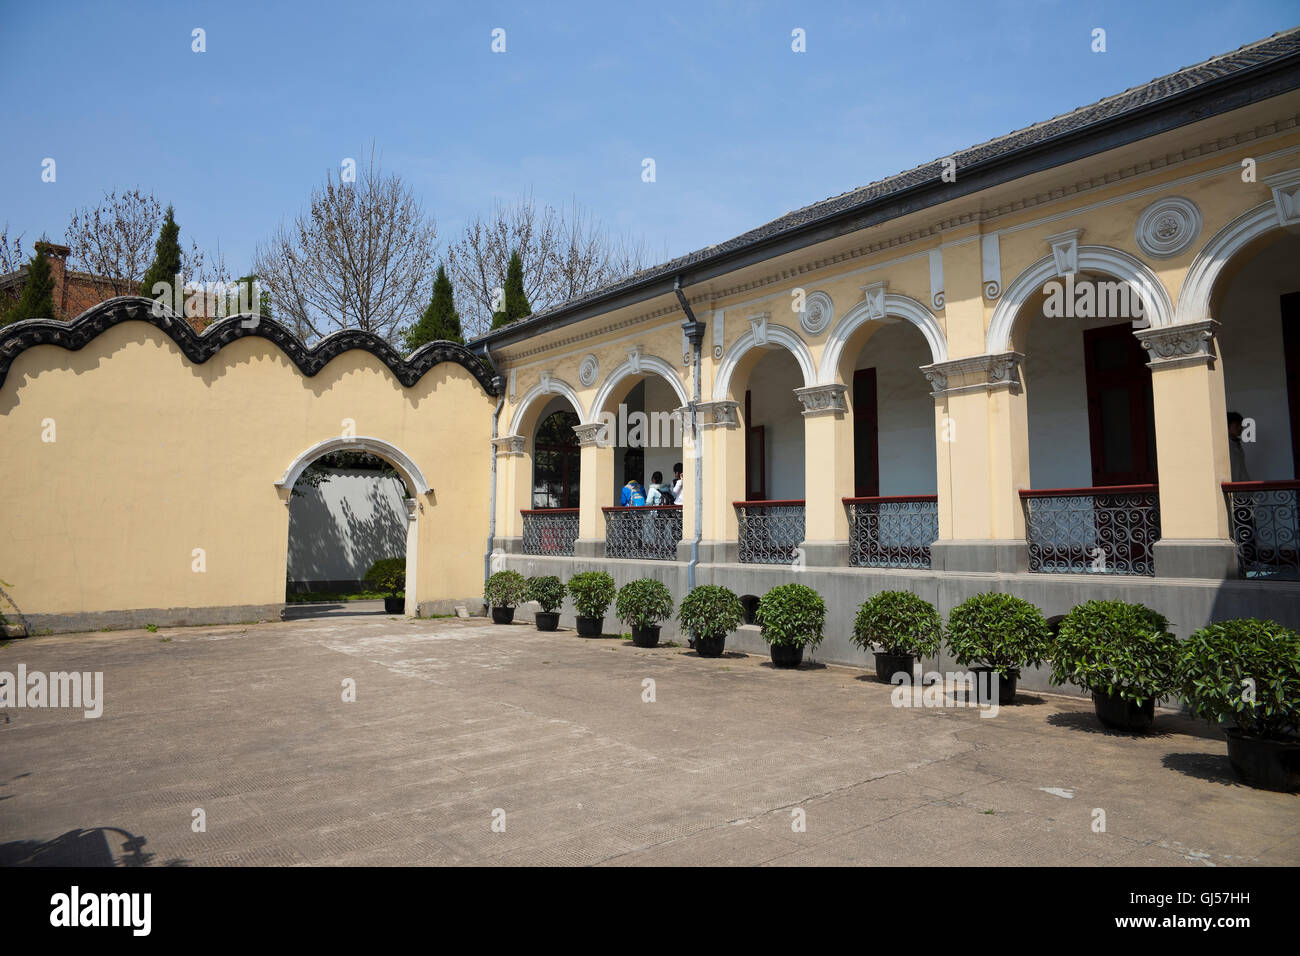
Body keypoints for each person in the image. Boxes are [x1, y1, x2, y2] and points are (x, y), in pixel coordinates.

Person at [1228, 411, 1251, 482]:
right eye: (1237, 425)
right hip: (1231, 487)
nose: (1240, 428)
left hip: (1242, 487)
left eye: (1241, 425)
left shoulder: (1237, 444)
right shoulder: (1224, 445)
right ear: (1227, 425)